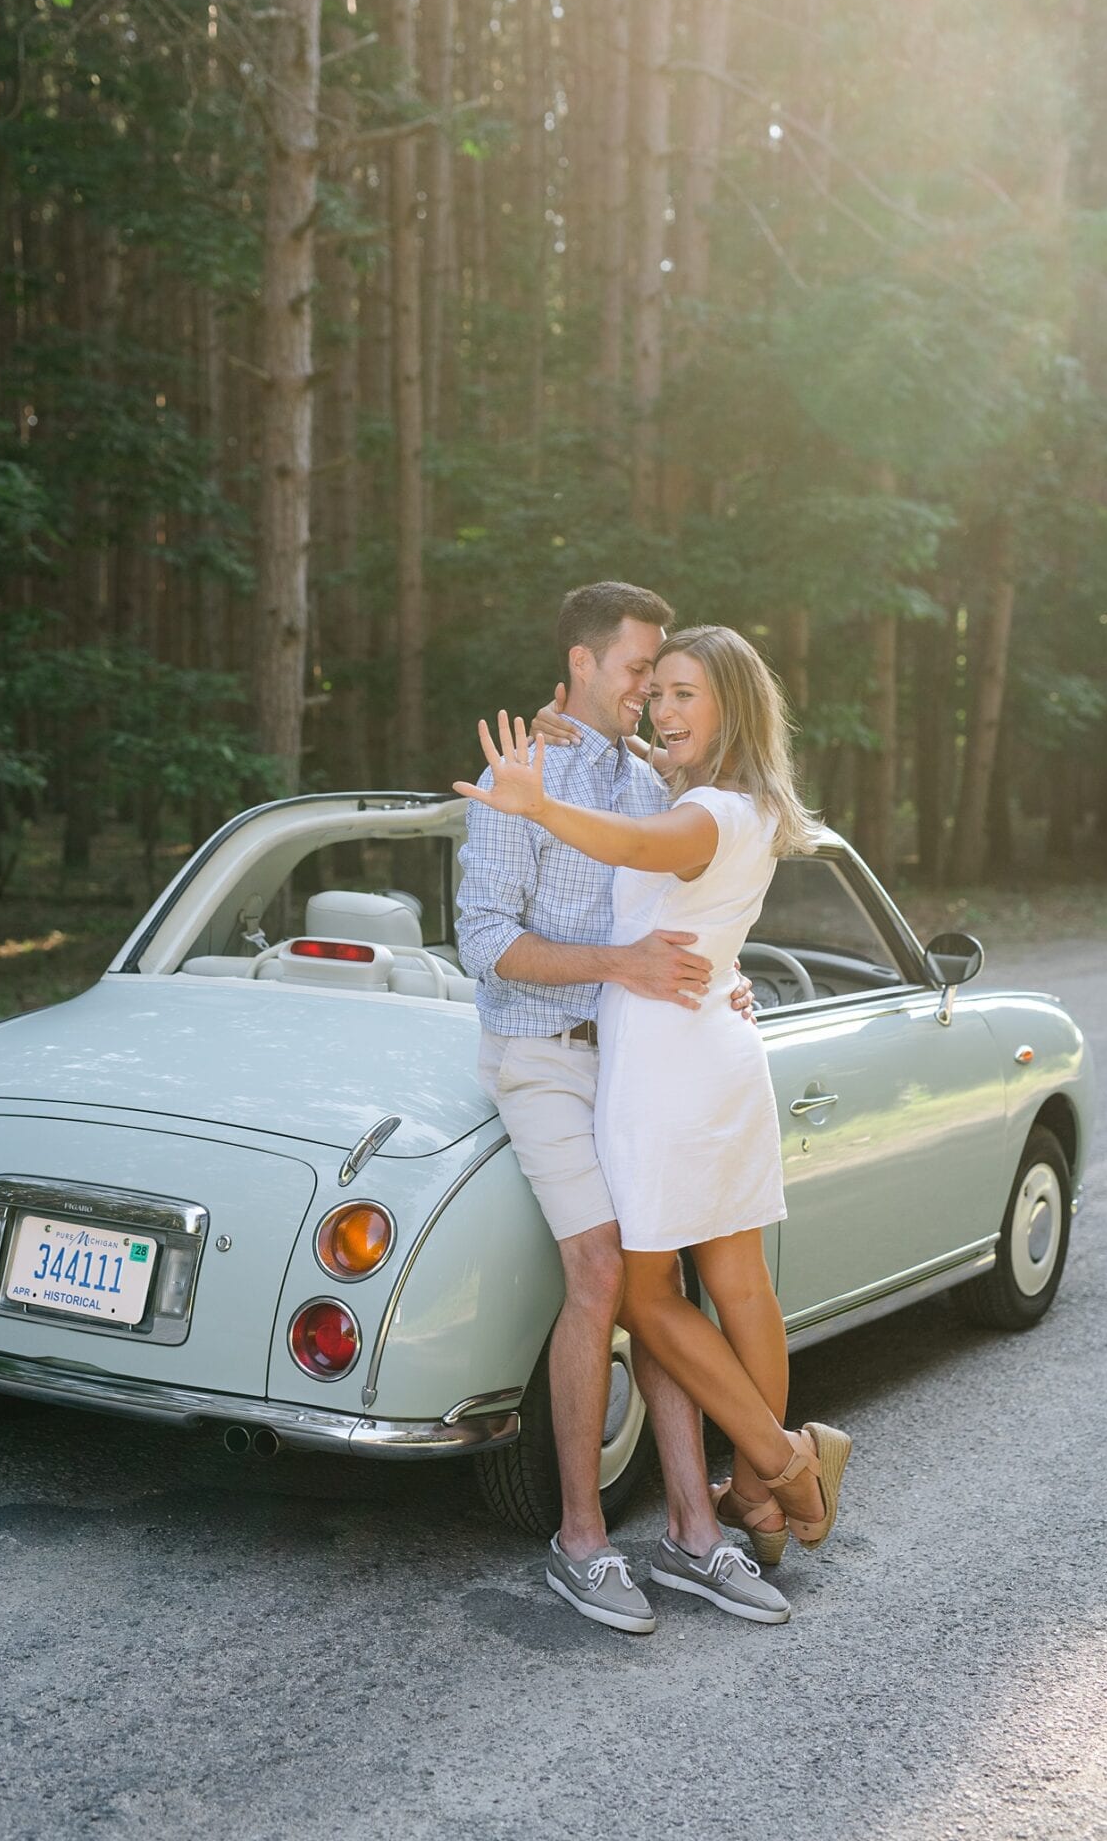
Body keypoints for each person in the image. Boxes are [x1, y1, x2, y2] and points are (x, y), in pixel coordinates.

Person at [456, 622, 854, 1622]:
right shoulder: (701, 788)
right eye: (652, 681)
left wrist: (540, 801)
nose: (660, 705)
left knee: (653, 1285)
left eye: (682, 691)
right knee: (725, 1282)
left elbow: (641, 850)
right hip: (685, 1050)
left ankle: (774, 1471)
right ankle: (755, 1490)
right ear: (583, 662)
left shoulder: (700, 808)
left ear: (730, 706)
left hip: (668, 1066)